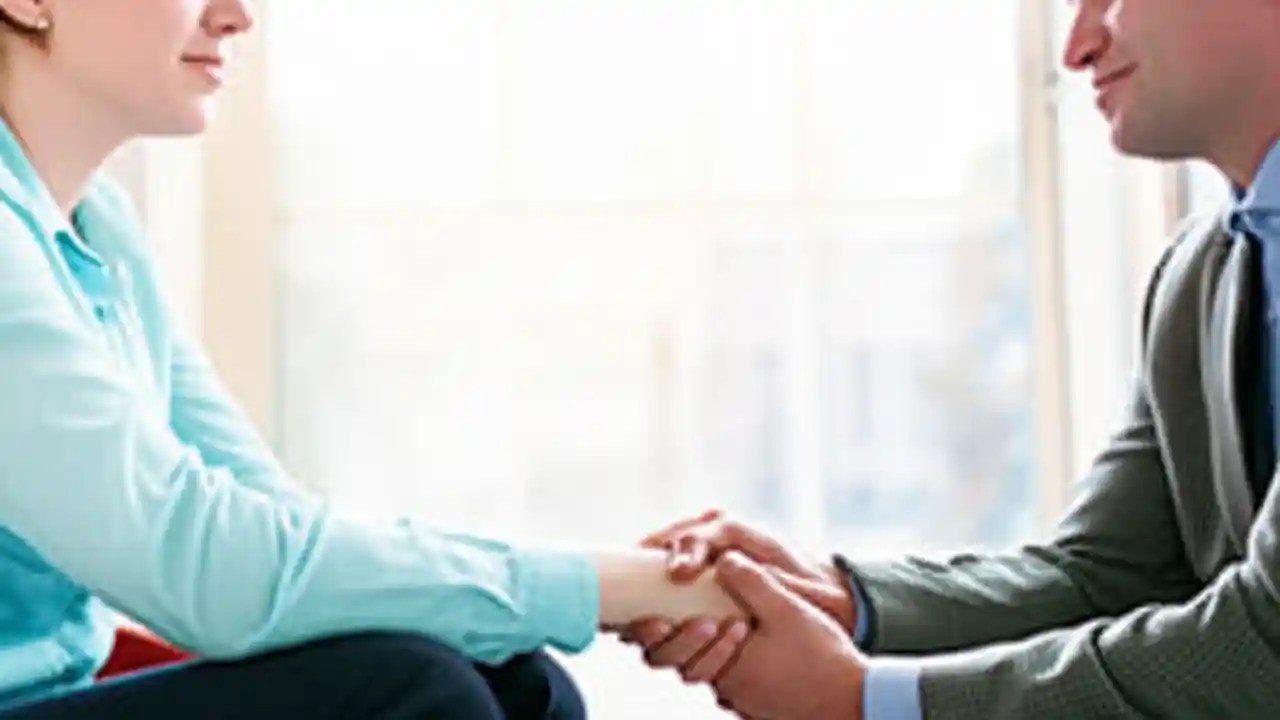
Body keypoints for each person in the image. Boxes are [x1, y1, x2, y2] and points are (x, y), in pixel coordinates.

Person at [0, 1, 746, 718]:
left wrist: (635, 584)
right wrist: (627, 587)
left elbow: (271, 519)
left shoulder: (103, 229)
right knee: (411, 691)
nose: (236, 14)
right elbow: (203, 568)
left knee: (515, 679)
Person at [628, 0, 1280, 717]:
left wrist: (864, 700)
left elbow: (1264, 642)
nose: (1077, 46)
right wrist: (839, 601)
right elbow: (1108, 577)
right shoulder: (1200, 272)